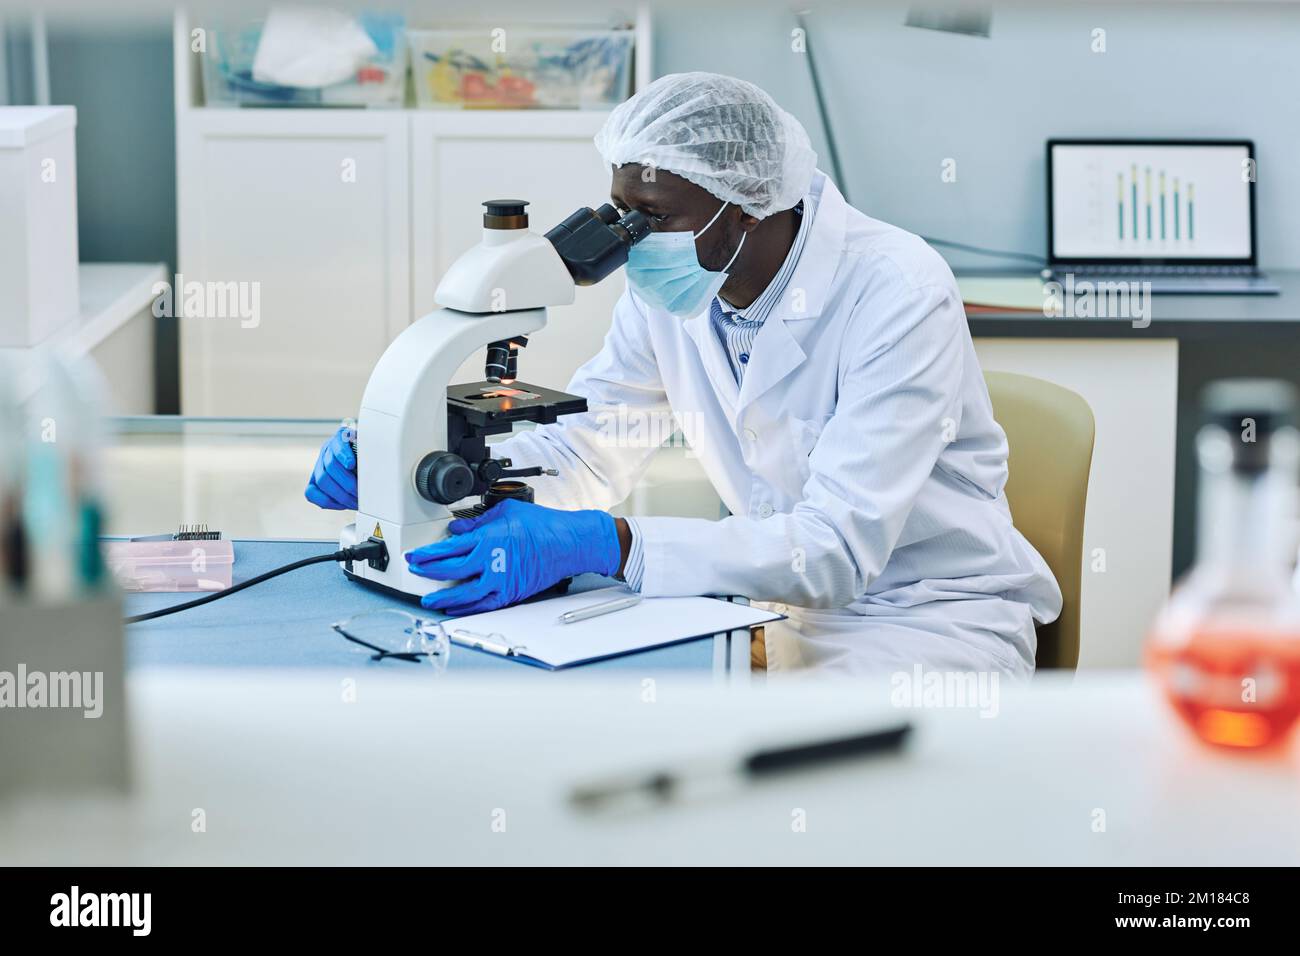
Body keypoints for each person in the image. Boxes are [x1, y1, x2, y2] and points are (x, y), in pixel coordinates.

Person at [306, 72, 1061, 677]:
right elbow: (589, 447)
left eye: (652, 215)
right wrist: (421, 467)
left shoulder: (896, 289)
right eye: (616, 209)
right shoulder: (676, 289)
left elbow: (834, 548)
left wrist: (611, 543)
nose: (628, 240)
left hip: (923, 620)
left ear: (748, 210)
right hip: (762, 605)